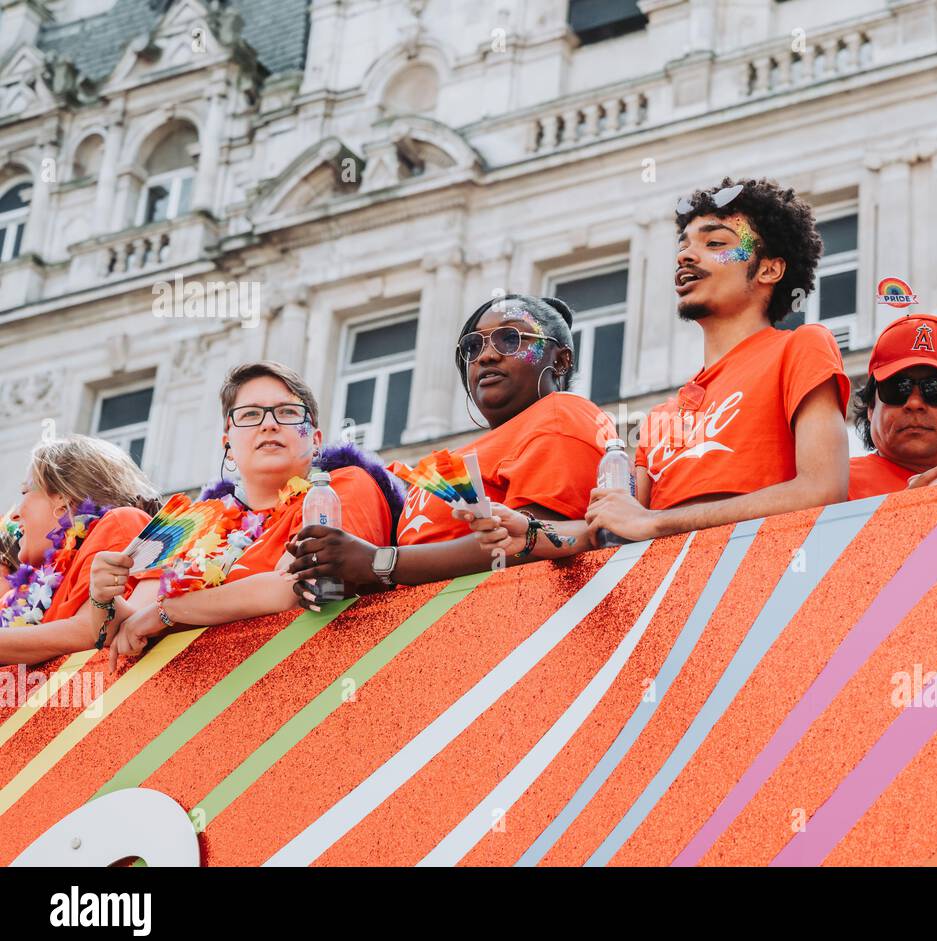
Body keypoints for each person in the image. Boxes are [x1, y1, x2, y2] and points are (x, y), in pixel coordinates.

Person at [287, 294, 609, 607]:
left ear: (561, 360)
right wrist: (346, 575)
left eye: (509, 339)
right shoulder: (468, 452)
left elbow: (528, 545)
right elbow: (410, 571)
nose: (486, 356)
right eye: (474, 346)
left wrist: (377, 561)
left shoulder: (561, 413)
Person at [583, 177, 850, 543]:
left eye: (715, 243)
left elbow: (822, 490)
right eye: (684, 245)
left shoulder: (801, 347)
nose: (685, 256)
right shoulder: (661, 417)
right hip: (669, 595)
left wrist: (659, 523)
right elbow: (621, 525)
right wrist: (528, 534)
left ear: (770, 269)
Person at [90, 361, 399, 666]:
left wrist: (168, 612)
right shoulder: (192, 521)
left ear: (315, 442)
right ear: (228, 446)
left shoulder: (336, 489)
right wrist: (104, 596)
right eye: (251, 414)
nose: (269, 424)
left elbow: (289, 590)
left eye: (288, 412)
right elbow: (130, 629)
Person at [0, 436, 160, 666]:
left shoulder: (121, 522)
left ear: (63, 501)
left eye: (25, 492)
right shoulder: (27, 589)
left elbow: (91, 630)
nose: (14, 515)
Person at [849, 314, 937, 499]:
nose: (914, 403)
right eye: (898, 388)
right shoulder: (833, 486)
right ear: (871, 407)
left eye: (936, 389)